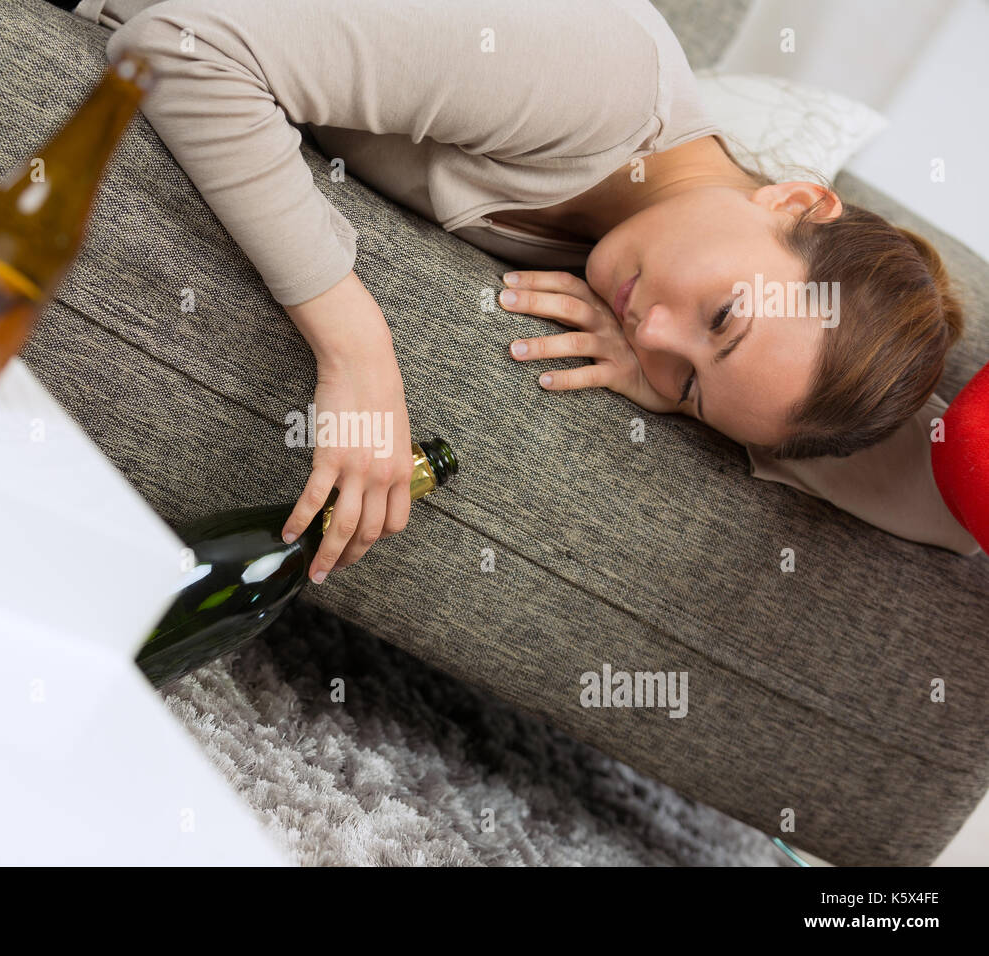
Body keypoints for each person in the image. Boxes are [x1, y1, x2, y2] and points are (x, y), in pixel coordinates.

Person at [80, 0, 975, 581]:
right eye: (723, 315)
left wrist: (683, 370)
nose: (653, 329)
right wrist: (355, 347)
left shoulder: (637, 243)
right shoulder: (600, 81)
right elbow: (182, 48)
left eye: (690, 382)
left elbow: (934, 498)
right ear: (795, 196)